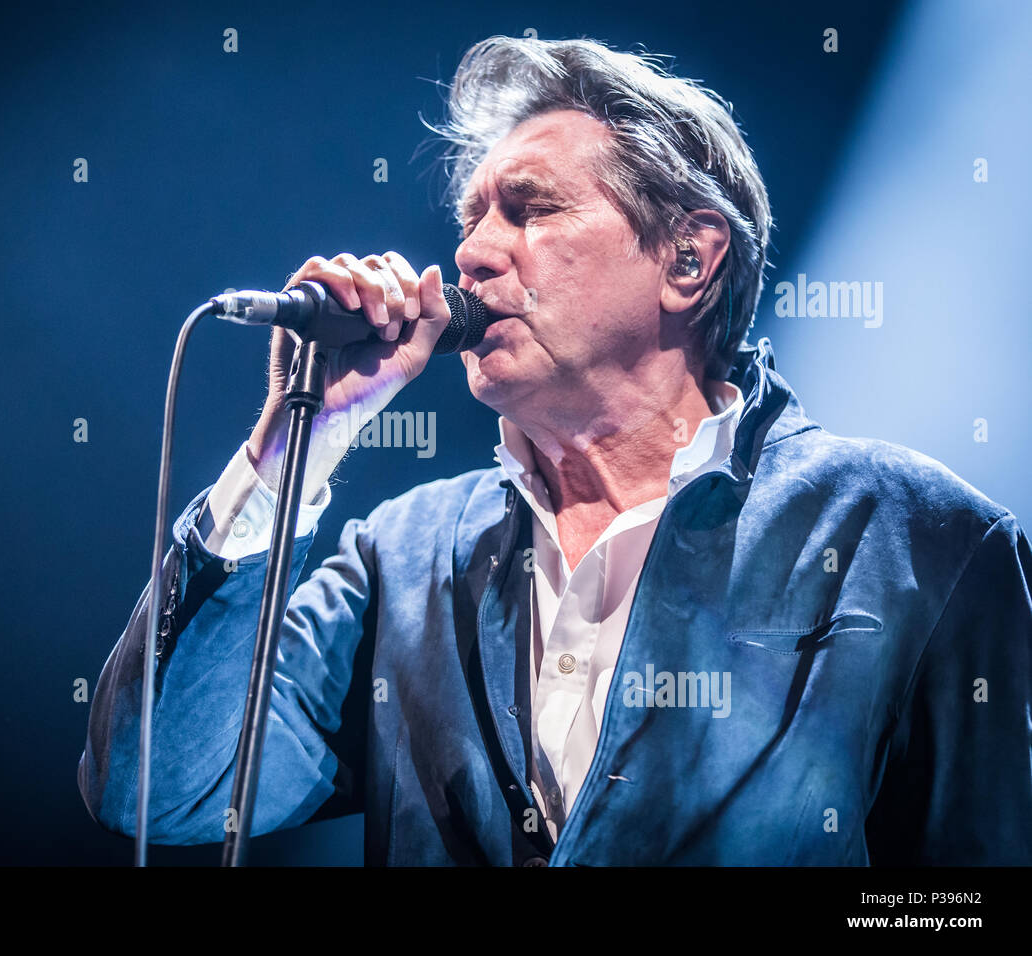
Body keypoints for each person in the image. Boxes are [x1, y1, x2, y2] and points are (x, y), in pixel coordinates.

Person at [78, 35, 1032, 865]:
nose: (474, 253)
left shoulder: (913, 541)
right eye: (472, 218)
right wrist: (297, 437)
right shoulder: (403, 558)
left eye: (529, 210)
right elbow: (157, 791)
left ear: (688, 261)